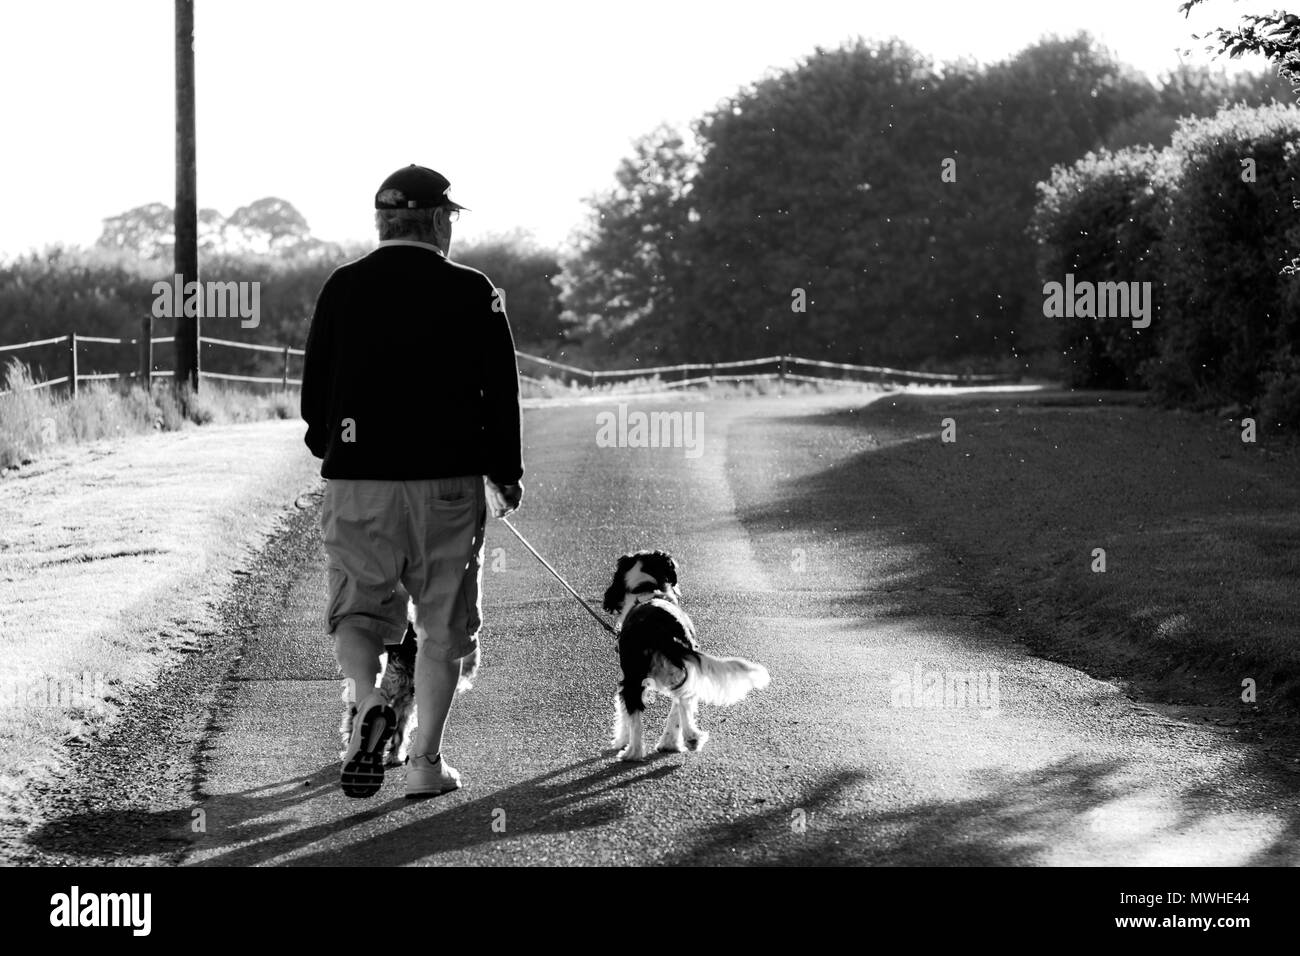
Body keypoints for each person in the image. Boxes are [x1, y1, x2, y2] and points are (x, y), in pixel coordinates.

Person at [301, 164, 524, 799]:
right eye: (448, 217)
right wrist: (505, 474)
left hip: (358, 482)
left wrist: (330, 447)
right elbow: (500, 393)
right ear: (436, 221)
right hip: (446, 486)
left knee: (357, 610)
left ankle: (368, 698)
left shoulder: (342, 285)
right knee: (442, 627)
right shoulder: (475, 290)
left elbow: (316, 392)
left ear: (384, 222)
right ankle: (425, 763)